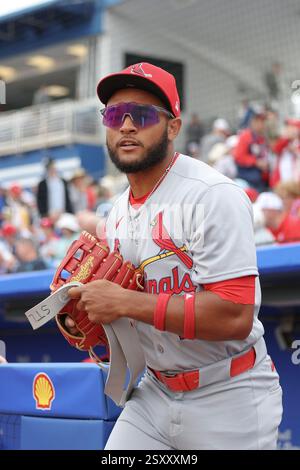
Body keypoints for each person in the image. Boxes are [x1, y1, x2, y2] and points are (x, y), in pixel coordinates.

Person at [66, 62, 282, 450]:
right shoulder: (114, 214)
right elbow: (127, 317)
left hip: (228, 395)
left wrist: (124, 301)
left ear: (173, 127)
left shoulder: (213, 194)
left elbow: (235, 314)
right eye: (115, 115)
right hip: (154, 394)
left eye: (143, 115)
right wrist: (86, 315)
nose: (127, 125)